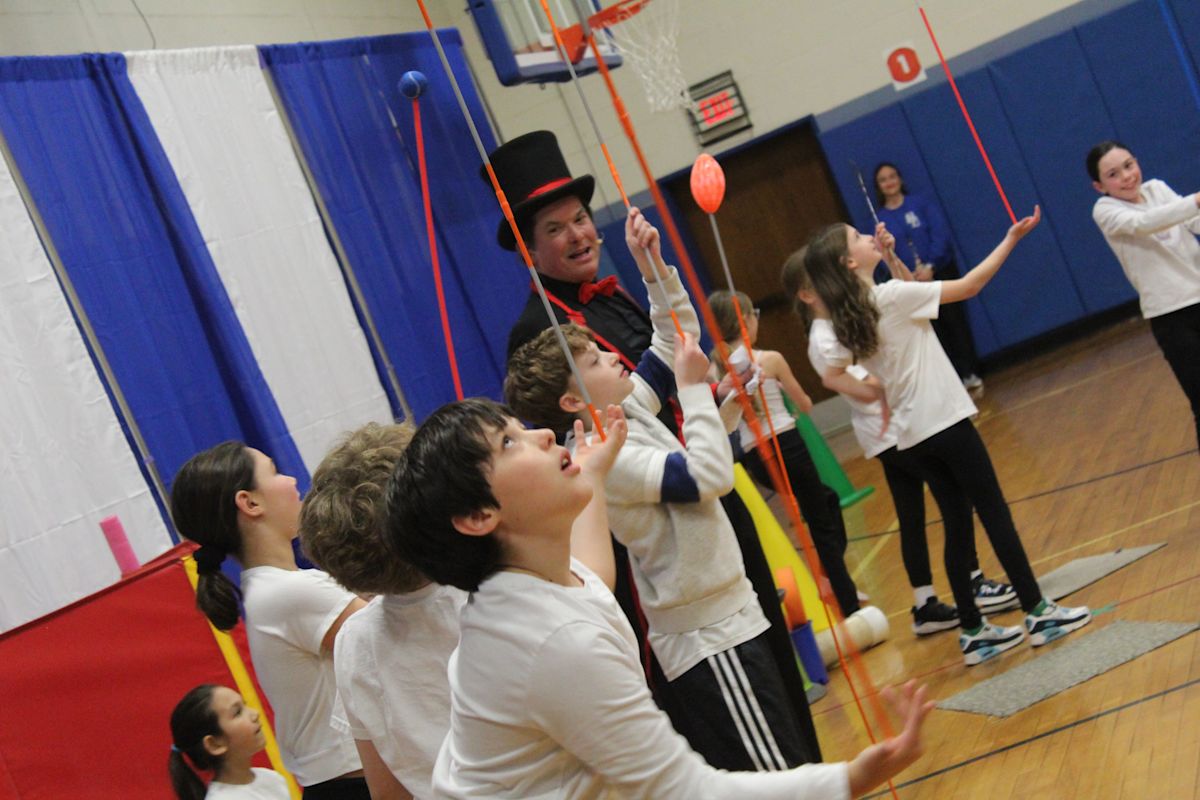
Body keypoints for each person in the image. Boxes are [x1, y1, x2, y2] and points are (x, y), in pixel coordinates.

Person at [383, 396, 934, 799]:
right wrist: (851, 776)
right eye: (509, 443)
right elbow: (687, 791)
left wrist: (593, 471)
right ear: (479, 517)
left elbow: (595, 569)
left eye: (521, 428)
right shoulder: (554, 644)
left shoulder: (537, 586)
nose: (543, 436)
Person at [506, 208, 809, 771]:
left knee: (782, 761)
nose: (616, 358)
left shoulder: (623, 413)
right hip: (707, 640)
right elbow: (706, 479)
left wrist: (654, 268)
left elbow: (671, 340)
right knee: (776, 777)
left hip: (728, 616)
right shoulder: (604, 454)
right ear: (573, 402)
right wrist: (696, 395)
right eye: (596, 359)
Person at [789, 210, 1092, 665]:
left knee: (956, 523)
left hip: (913, 435)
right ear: (849, 263)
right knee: (994, 514)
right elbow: (968, 286)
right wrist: (1010, 238)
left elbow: (840, 368)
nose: (870, 235)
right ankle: (1038, 611)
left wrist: (891, 255)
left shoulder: (856, 314)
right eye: (858, 237)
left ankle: (972, 631)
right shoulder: (889, 298)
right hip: (943, 422)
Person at [782, 238, 1016, 637]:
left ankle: (925, 601)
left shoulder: (844, 316)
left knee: (913, 514)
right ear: (807, 293)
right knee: (953, 501)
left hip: (890, 429)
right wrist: (888, 385)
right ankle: (972, 583)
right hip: (890, 429)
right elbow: (854, 380)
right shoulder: (824, 334)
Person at [171, 443, 369, 798]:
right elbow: (401, 634)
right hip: (355, 786)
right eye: (275, 472)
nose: (292, 480)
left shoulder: (275, 590)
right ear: (250, 503)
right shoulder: (287, 593)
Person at [707, 288, 867, 619]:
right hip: (787, 444)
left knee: (825, 501)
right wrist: (792, 407)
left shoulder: (713, 369)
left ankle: (830, 580)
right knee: (821, 519)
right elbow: (806, 404)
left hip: (755, 458)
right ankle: (846, 602)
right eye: (754, 315)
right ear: (745, 320)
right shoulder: (770, 359)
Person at [1088, 140, 1200, 451]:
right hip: (1171, 318)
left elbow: (1194, 221)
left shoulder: (1158, 190)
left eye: (1128, 165)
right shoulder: (1106, 210)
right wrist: (1194, 201)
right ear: (1099, 186)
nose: (1126, 176)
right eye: (1113, 174)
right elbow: (1143, 223)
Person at [874, 162, 983, 393]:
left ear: (900, 179)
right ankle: (951, 380)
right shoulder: (881, 219)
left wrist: (930, 266)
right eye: (883, 179)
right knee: (932, 332)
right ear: (879, 186)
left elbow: (939, 233)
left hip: (939, 272)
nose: (889, 182)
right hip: (910, 284)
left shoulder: (919, 204)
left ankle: (970, 372)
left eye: (892, 176)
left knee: (955, 323)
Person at [168, 684, 290, 800]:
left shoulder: (272, 778)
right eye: (237, 712)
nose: (255, 714)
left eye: (245, 705)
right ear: (214, 744)